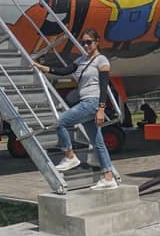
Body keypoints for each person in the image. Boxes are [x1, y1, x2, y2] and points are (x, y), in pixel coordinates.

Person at [33, 29, 118, 190]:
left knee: (61, 122)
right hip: (86, 101)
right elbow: (64, 71)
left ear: (97, 42)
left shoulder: (102, 61)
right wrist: (41, 67)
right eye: (83, 42)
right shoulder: (81, 60)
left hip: (92, 102)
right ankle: (109, 177)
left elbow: (103, 86)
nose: (85, 45)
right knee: (98, 143)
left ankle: (70, 156)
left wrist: (101, 109)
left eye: (89, 42)